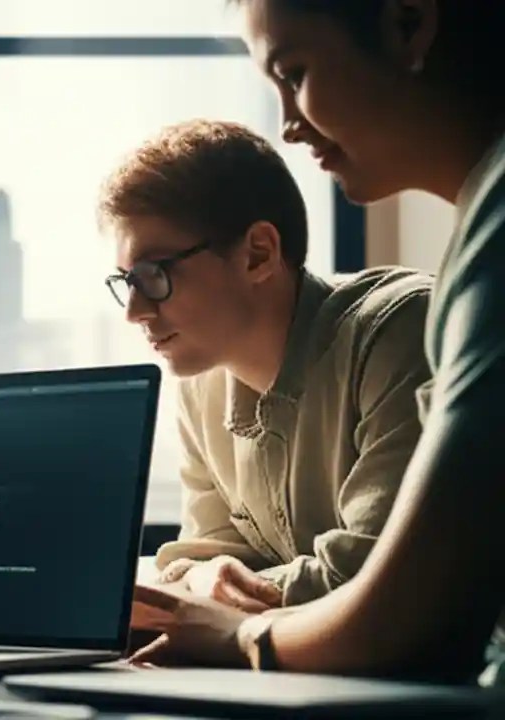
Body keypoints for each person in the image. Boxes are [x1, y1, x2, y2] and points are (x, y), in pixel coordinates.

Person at [130, 0, 505, 683]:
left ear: (409, 24)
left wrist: (240, 633)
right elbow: (196, 558)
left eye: (294, 72)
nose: (288, 126)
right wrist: (216, 589)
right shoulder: (480, 232)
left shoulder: (432, 299)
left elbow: (407, 600)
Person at [98, 119, 430, 612]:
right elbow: (197, 560)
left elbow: (375, 577)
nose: (134, 311)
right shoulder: (201, 381)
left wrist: (216, 589)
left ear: (258, 254)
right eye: (126, 280)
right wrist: (208, 576)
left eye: (153, 275)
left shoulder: (401, 331)